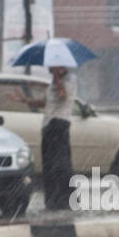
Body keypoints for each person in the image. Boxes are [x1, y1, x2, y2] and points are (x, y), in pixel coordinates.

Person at [41, 63, 76, 210]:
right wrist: (23, 100)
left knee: (61, 164)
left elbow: (63, 96)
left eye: (51, 66)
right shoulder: (53, 83)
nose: (48, 68)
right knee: (49, 164)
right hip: (48, 125)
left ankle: (66, 199)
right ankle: (52, 200)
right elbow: (46, 103)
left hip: (59, 124)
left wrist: (56, 76)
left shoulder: (69, 79)